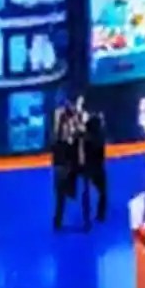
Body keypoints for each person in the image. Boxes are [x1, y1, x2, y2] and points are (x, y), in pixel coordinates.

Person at [51, 97, 86, 231]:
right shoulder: (60, 117)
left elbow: (82, 132)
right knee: (61, 193)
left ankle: (84, 219)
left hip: (73, 161)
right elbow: (58, 135)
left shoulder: (77, 118)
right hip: (62, 161)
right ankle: (58, 221)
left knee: (80, 190)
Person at [80, 111, 107, 225]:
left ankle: (87, 217)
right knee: (103, 192)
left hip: (88, 167)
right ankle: (101, 214)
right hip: (98, 168)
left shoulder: (85, 137)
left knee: (86, 193)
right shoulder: (100, 137)